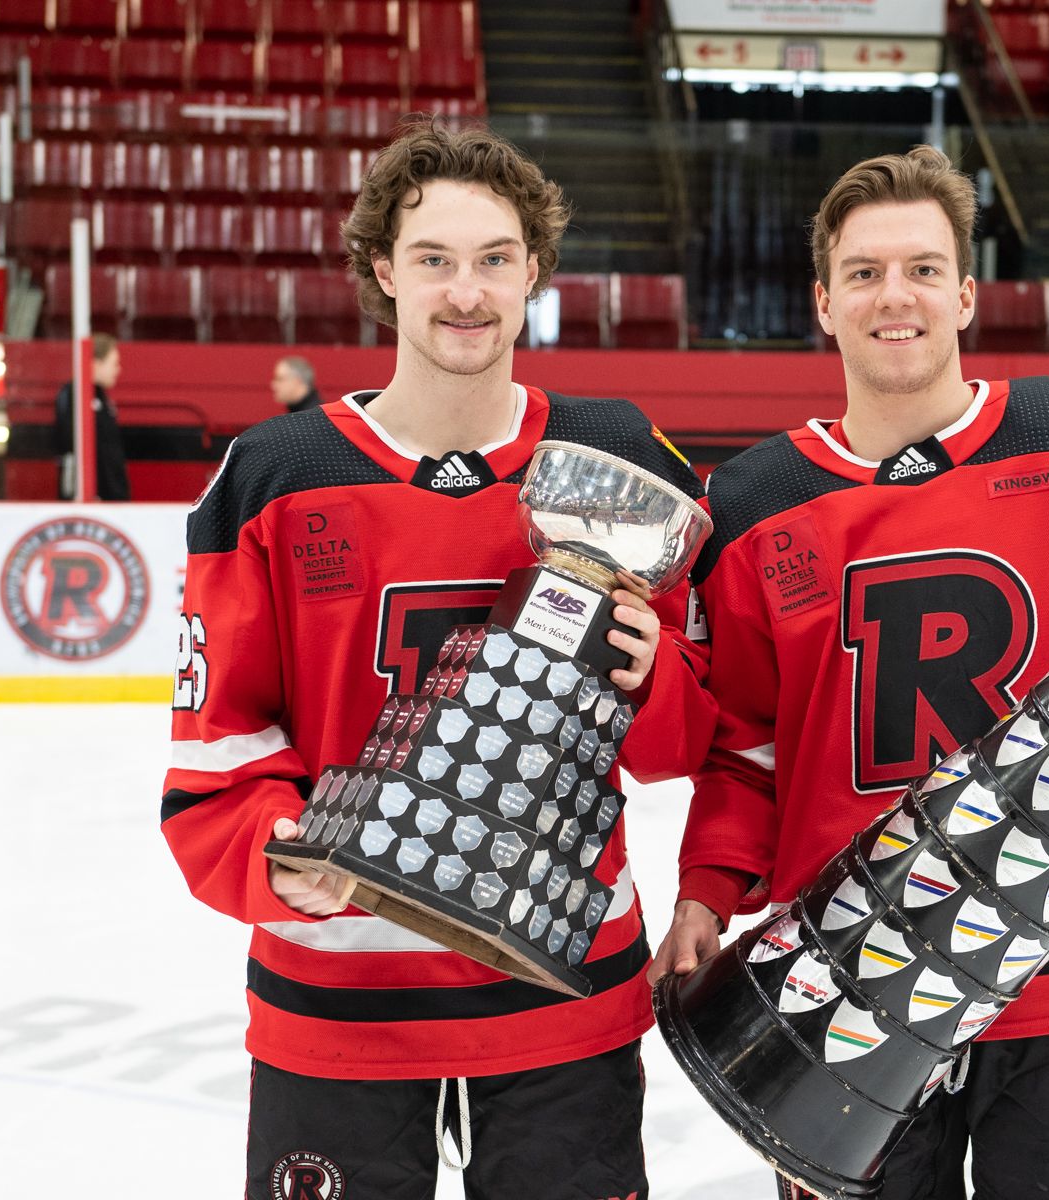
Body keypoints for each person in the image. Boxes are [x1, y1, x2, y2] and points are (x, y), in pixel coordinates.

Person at [651, 146, 1049, 1200]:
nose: (899, 296)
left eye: (925, 270)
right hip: (851, 977)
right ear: (824, 302)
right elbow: (745, 745)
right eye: (869, 272)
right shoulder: (750, 506)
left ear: (967, 294)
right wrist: (705, 894)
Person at [161, 120, 715, 1200]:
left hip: (566, 993)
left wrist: (652, 679)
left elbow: (685, 739)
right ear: (383, 270)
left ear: (533, 274)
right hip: (340, 999)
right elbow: (218, 746)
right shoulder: (275, 473)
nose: (467, 292)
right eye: (435, 260)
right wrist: (277, 855)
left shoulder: (619, 459)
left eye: (495, 260)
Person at [52, 332, 130, 501]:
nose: (118, 370)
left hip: (110, 498)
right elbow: (73, 448)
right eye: (114, 364)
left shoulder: (100, 398)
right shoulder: (75, 396)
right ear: (96, 363)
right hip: (92, 498)